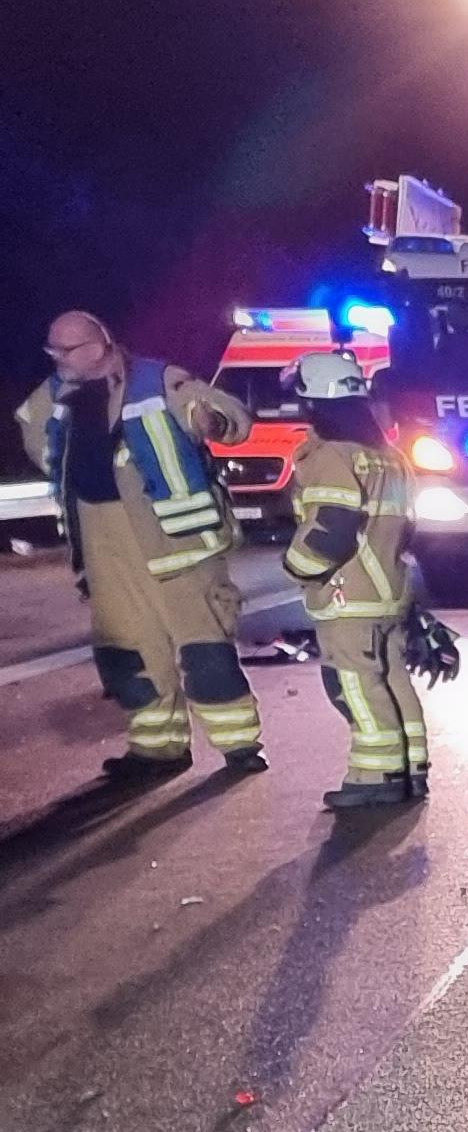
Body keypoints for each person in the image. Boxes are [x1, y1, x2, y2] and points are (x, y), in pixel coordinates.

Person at [15, 309, 262, 780]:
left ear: (100, 344)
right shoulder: (57, 392)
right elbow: (34, 432)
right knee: (129, 650)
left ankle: (240, 745)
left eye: (67, 350)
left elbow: (227, 414)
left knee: (204, 647)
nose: (58, 359)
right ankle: (157, 749)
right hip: (103, 538)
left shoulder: (158, 379)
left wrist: (211, 420)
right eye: (52, 350)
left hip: (176, 539)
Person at [275, 350, 425, 809]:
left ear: (312, 401)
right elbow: (407, 527)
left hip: (349, 594)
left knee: (355, 685)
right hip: (391, 590)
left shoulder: (330, 456)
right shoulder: (389, 457)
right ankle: (412, 768)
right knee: (393, 678)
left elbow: (332, 525)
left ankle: (376, 776)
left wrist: (298, 566)